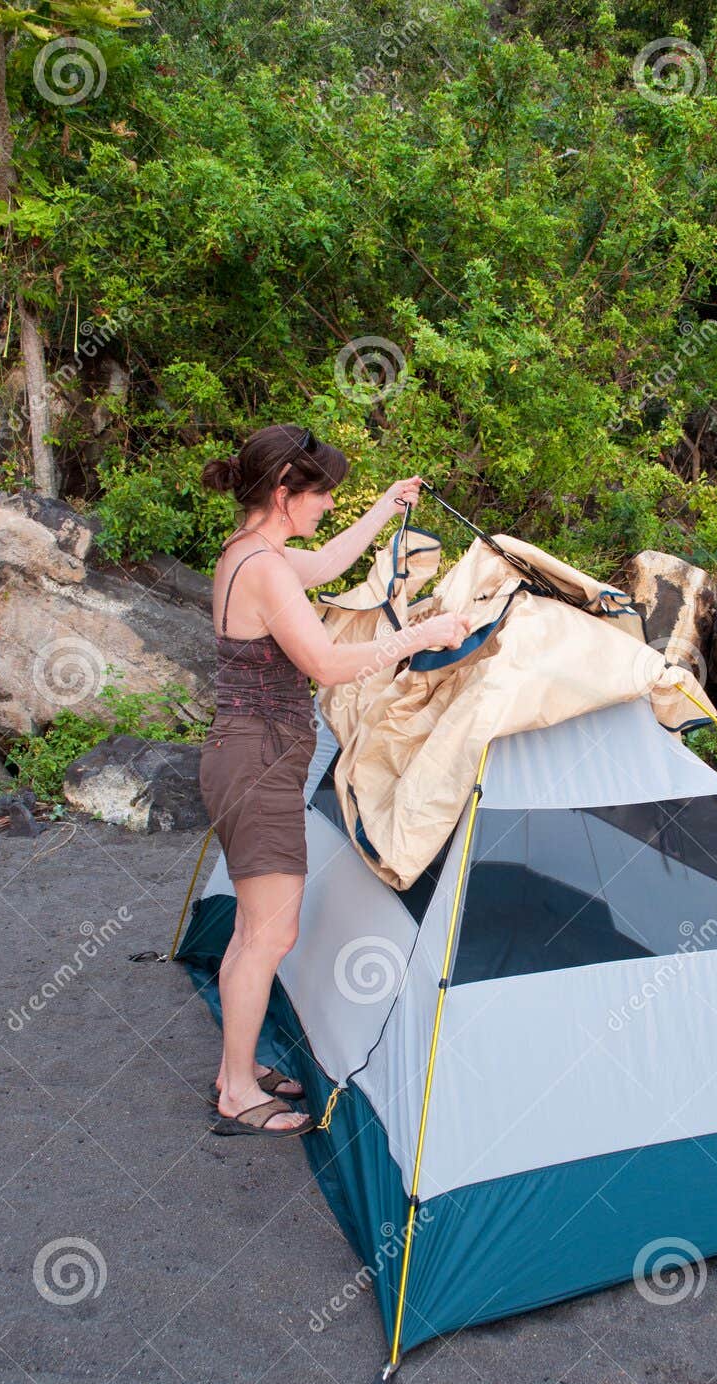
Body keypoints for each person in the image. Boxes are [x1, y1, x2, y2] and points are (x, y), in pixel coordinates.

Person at [198, 423, 471, 1138]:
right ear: (285, 493)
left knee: (254, 931)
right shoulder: (260, 567)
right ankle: (234, 1090)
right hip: (255, 763)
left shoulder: (257, 553)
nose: (326, 507)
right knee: (271, 934)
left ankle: (238, 1061)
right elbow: (325, 664)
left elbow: (320, 563)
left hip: (254, 756)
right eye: (321, 496)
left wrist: (384, 507)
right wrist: (423, 634)